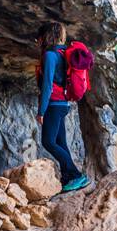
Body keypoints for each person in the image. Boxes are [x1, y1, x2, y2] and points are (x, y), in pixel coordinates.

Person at [36, 21, 90, 193]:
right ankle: (68, 179)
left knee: (48, 141)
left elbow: (47, 85)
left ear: (46, 36)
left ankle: (75, 175)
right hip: (64, 104)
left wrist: (41, 110)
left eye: (39, 37)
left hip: (54, 104)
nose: (38, 41)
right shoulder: (63, 52)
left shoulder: (50, 55)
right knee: (61, 142)